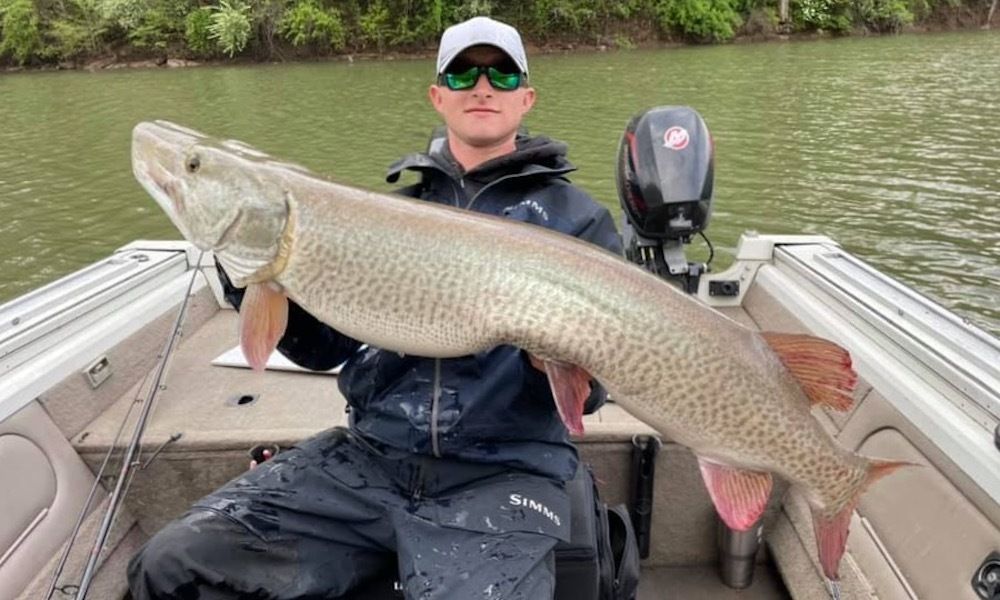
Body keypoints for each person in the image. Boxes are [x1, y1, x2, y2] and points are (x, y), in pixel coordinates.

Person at [127, 16, 622, 600]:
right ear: (439, 95)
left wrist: (556, 359)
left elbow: (591, 394)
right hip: (371, 458)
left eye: (501, 73)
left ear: (526, 96)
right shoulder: (388, 213)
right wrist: (247, 273)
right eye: (463, 73)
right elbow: (320, 350)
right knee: (172, 564)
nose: (482, 86)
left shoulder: (579, 223)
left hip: (505, 470)